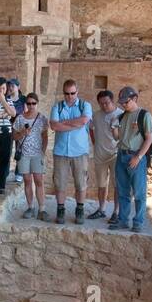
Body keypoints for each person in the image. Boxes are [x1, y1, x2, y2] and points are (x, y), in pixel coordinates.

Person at [49, 78, 92, 224]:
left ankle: (79, 209)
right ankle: (60, 210)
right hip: (61, 152)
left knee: (81, 183)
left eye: (73, 93)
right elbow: (54, 126)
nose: (70, 96)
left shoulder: (85, 106)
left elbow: (84, 121)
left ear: (77, 91)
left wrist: (64, 123)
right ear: (63, 93)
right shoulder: (58, 107)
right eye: (67, 93)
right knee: (60, 183)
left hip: (79, 152)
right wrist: (75, 124)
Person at [111, 86, 152, 234]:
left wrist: (139, 156)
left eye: (126, 102)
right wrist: (114, 128)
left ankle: (138, 222)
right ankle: (123, 220)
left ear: (134, 99)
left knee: (139, 192)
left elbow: (149, 139)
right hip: (121, 155)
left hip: (135, 156)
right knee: (122, 191)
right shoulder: (122, 116)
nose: (123, 105)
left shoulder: (144, 115)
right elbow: (118, 138)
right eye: (121, 102)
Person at [13, 93, 49, 219]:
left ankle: (42, 209)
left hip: (37, 154)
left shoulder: (42, 118)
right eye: (29, 103)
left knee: (39, 181)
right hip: (23, 154)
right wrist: (23, 132)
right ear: (25, 104)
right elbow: (14, 137)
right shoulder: (20, 118)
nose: (31, 105)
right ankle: (30, 207)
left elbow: (45, 137)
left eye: (34, 103)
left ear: (37, 103)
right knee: (27, 181)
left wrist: (43, 152)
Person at [89, 89, 123, 222]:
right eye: (101, 103)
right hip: (100, 155)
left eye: (107, 103)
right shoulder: (96, 115)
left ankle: (116, 211)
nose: (104, 106)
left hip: (115, 154)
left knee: (116, 185)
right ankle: (102, 209)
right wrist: (94, 142)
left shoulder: (121, 114)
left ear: (112, 101)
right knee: (101, 185)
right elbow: (90, 128)